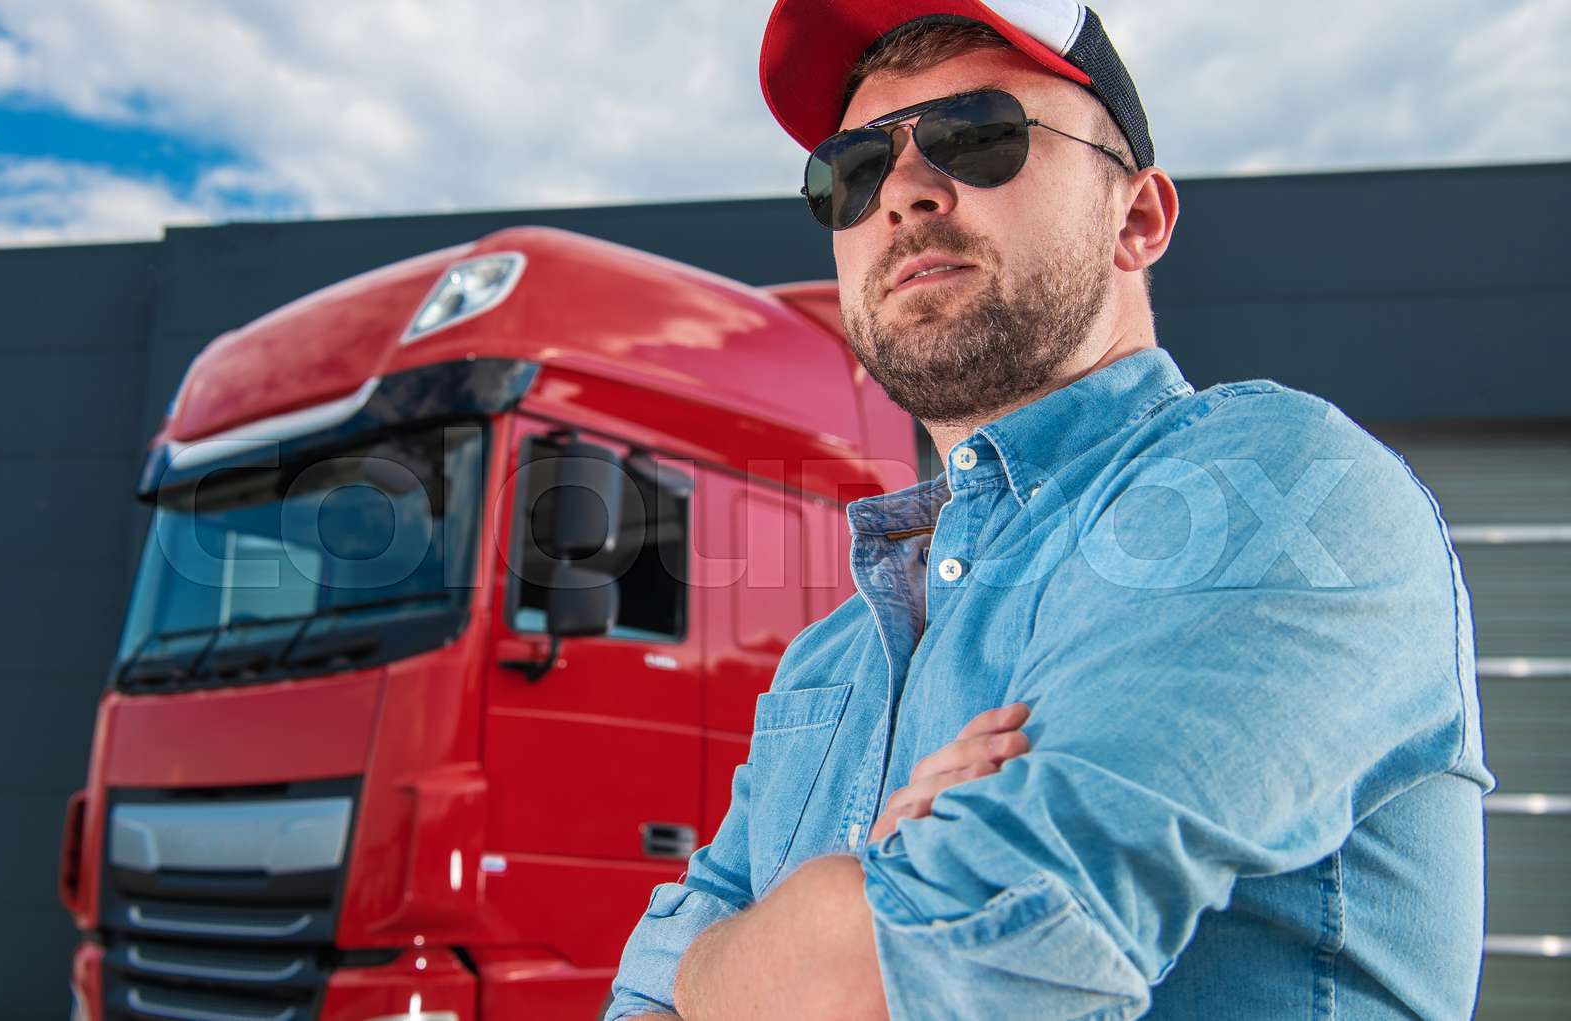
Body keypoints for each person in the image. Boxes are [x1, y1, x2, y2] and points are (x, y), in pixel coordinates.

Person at [605, 1, 1491, 1018]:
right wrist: (842, 916)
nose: (900, 191)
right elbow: (637, 1000)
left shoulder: (1276, 485)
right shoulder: (829, 661)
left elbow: (986, 972)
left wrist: (722, 963)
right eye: (848, 172)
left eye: (975, 135)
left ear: (1137, 218)